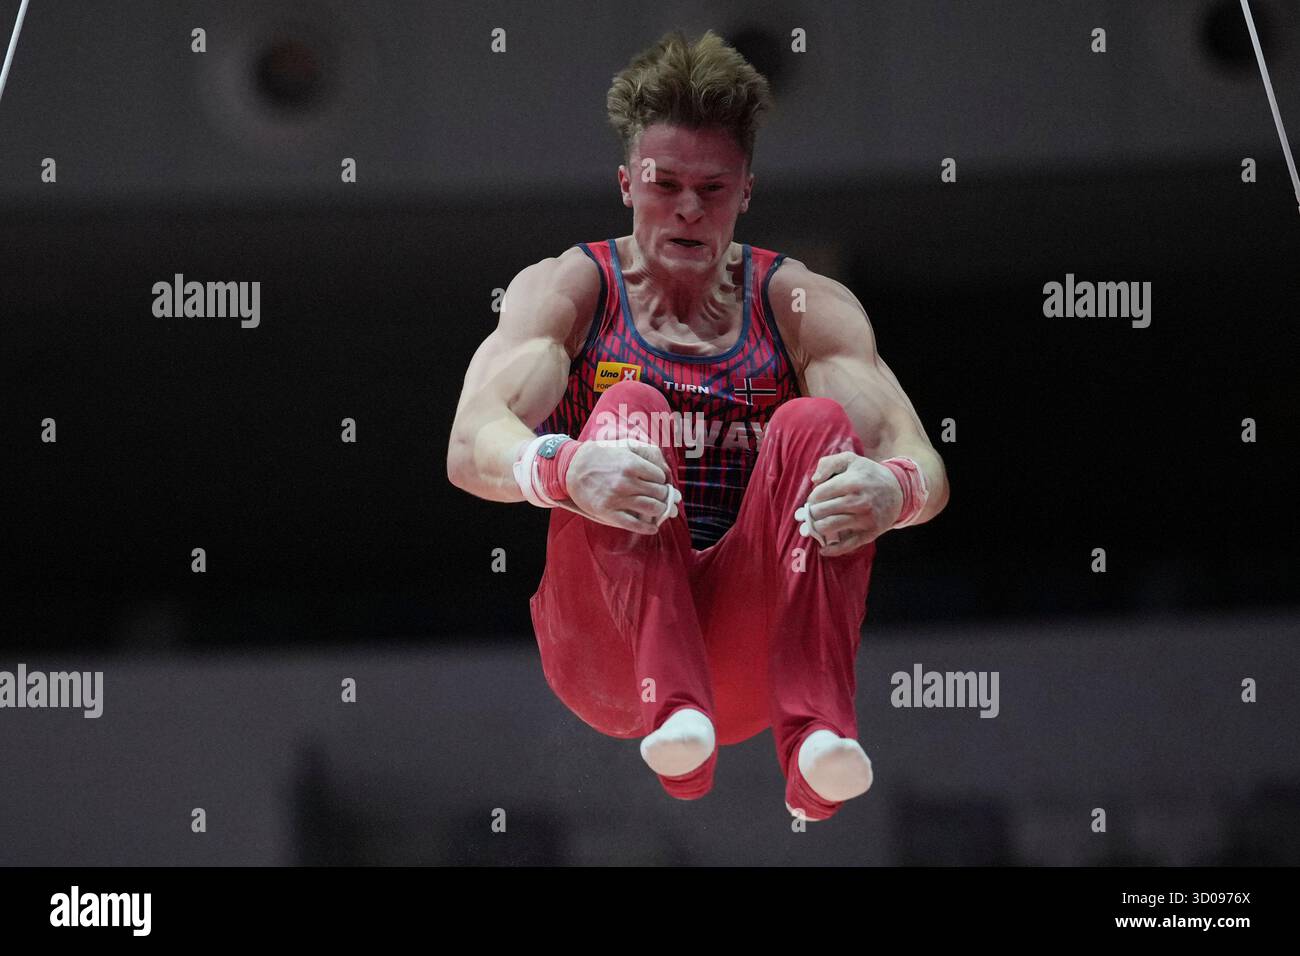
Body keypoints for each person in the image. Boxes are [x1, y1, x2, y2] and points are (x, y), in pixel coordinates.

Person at [447, 29, 949, 821]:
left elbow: (917, 455)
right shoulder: (571, 290)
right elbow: (472, 440)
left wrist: (893, 491)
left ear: (746, 191)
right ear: (625, 184)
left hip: (747, 658)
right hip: (605, 650)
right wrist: (564, 468)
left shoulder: (801, 305)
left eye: (712, 189)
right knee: (627, 411)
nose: (687, 208)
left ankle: (816, 741)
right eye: (665, 184)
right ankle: (675, 720)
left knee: (819, 426)